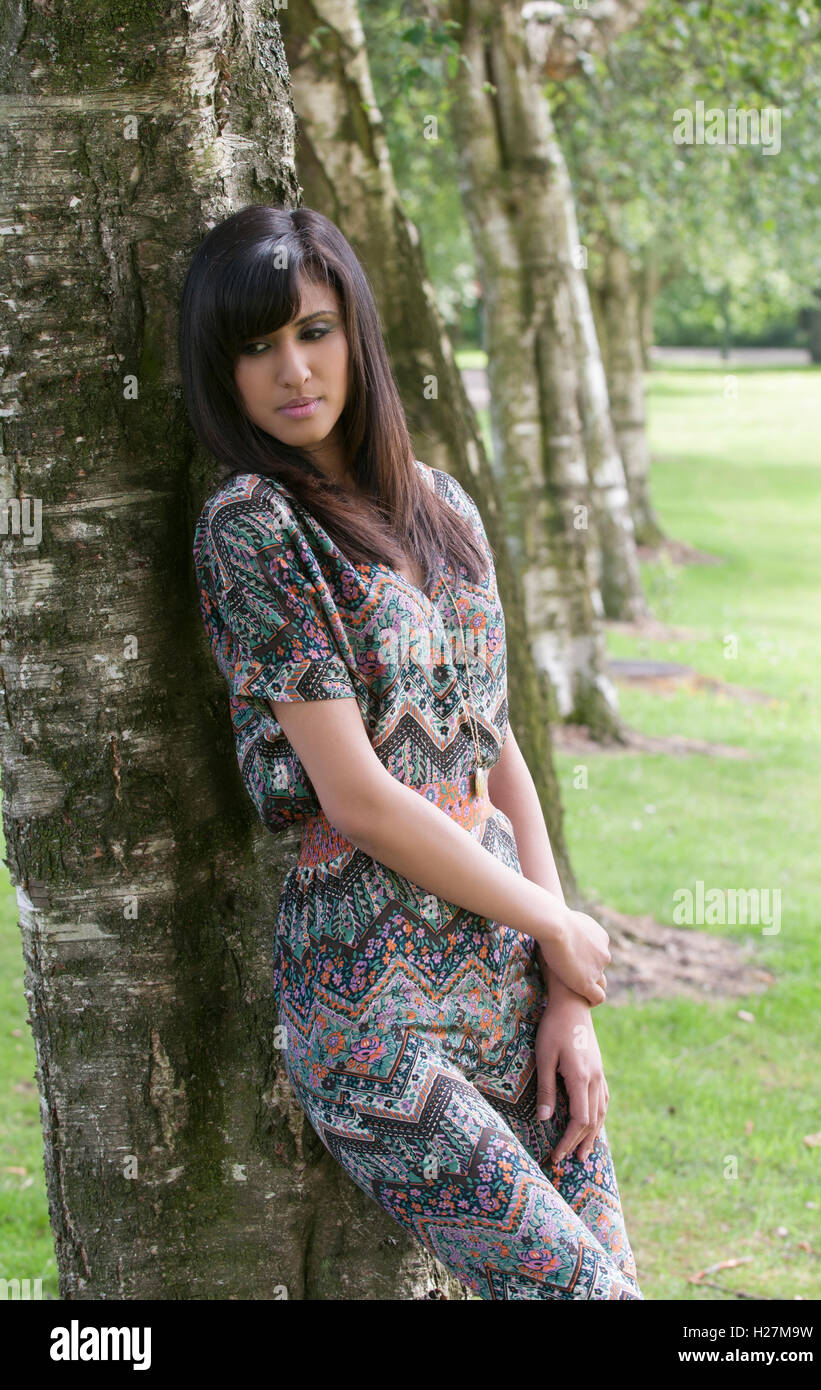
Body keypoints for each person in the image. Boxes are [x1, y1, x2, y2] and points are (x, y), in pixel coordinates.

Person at [182, 205, 643, 1300]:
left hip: (505, 983)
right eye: (255, 348)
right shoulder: (254, 527)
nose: (292, 369)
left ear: (357, 334)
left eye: (313, 330)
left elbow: (497, 748)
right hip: (369, 1013)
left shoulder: (442, 506)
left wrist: (563, 987)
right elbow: (362, 801)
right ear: (223, 372)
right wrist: (557, 921)